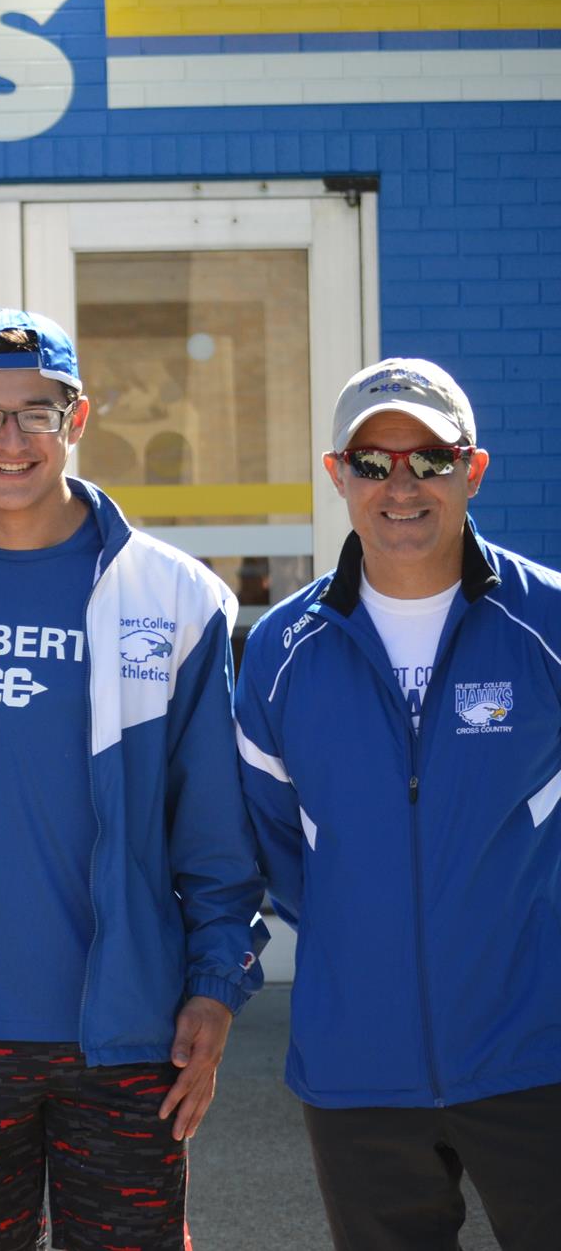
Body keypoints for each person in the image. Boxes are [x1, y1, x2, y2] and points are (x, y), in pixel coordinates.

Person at [0, 310, 267, 1251]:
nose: (9, 440)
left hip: (127, 1034)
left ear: (77, 417)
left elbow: (215, 826)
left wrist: (215, 986)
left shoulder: (172, 596)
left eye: (36, 413)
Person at [234, 358, 561, 1250]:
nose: (403, 485)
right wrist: (360, 927)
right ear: (339, 475)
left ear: (475, 470)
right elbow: (272, 846)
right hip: (357, 1064)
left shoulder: (549, 627)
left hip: (536, 1052)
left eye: (432, 459)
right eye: (374, 463)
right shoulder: (280, 650)